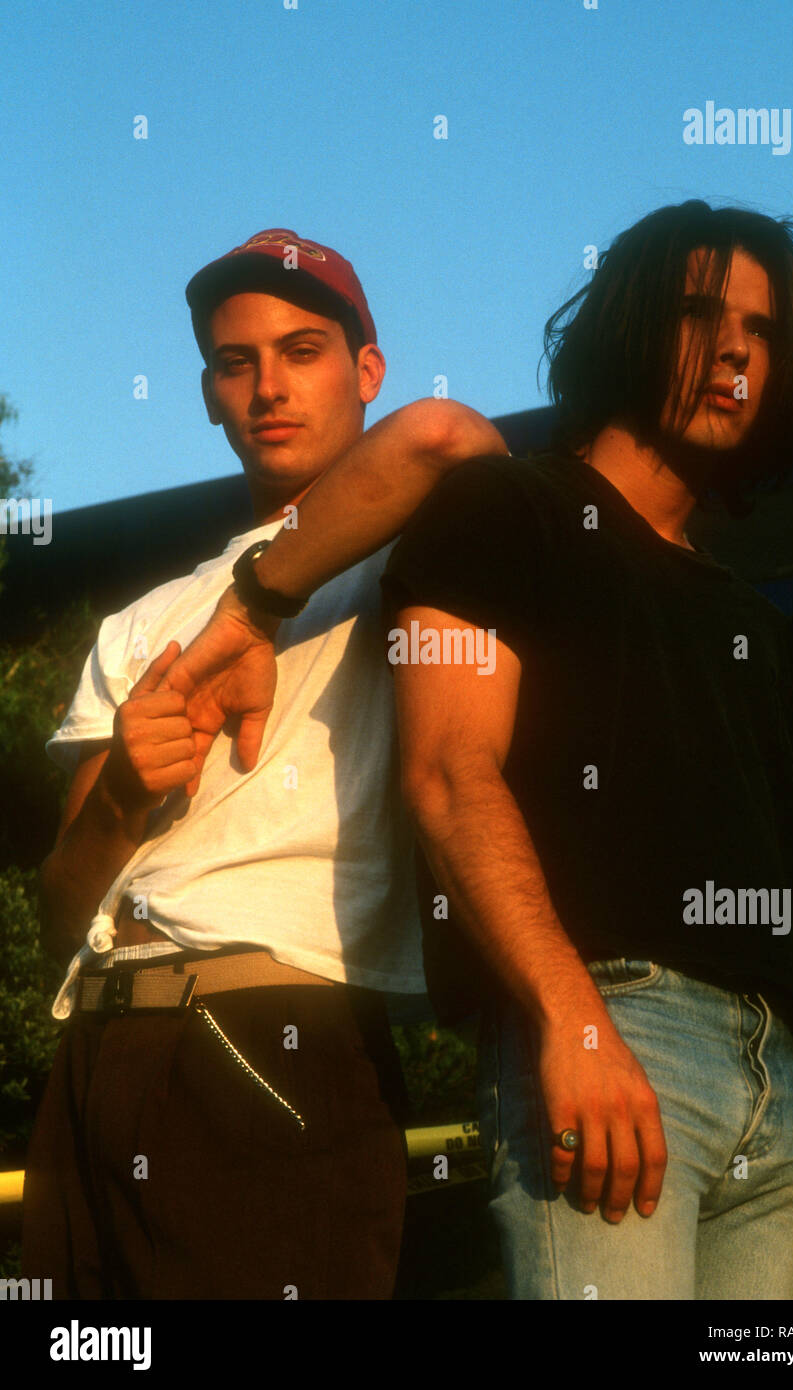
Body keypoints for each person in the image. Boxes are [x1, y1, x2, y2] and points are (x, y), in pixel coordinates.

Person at [377, 201, 793, 1299]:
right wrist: (574, 1022)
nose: (735, 350)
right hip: (617, 1033)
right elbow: (446, 774)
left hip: (786, 1098)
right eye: (699, 313)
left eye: (763, 330)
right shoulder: (502, 506)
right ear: (628, 322)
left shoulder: (750, 618)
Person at [22, 227, 505, 1300]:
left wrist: (251, 611)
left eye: (302, 351)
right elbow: (58, 911)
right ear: (208, 394)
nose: (268, 388)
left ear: (368, 370)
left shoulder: (420, 543)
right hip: (95, 1048)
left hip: (267, 1034)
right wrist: (124, 796)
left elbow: (444, 435)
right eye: (235, 363)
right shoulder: (141, 619)